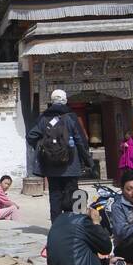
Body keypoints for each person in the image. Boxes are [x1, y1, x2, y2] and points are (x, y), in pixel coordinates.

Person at [26, 89, 93, 221]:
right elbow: (80, 141)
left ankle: (56, 227)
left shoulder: (44, 118)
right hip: (71, 165)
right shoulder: (70, 117)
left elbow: (31, 136)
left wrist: (44, 149)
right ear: (65, 100)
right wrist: (87, 160)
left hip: (51, 166)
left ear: (52, 101)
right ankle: (74, 224)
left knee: (55, 196)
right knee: (73, 195)